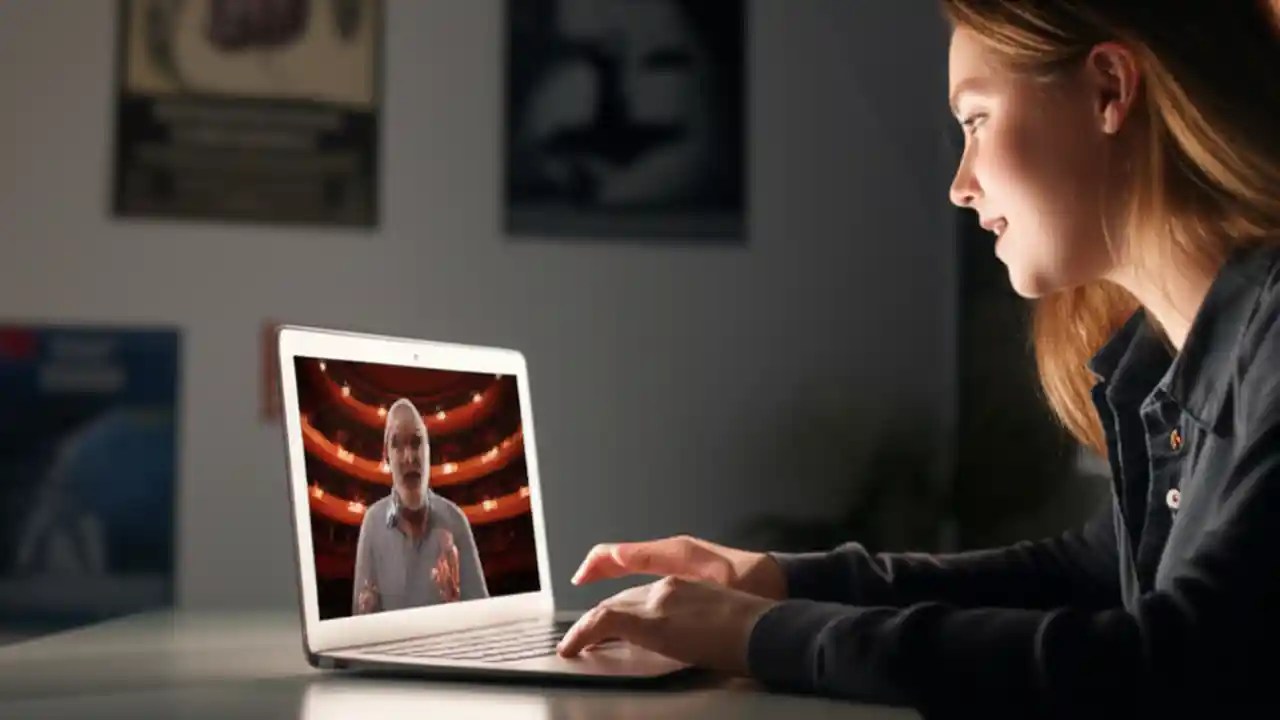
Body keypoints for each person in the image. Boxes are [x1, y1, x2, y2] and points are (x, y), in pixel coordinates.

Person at [556, 1, 1280, 715]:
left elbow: (1181, 660)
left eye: (976, 120)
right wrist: (774, 582)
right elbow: (1090, 574)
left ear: (1109, 91)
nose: (960, 185)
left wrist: (759, 633)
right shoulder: (1166, 361)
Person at [352, 398, 488, 614]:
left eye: (416, 442)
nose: (409, 457)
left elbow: (484, 619)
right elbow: (359, 624)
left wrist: (456, 606)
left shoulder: (456, 521)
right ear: (386, 456)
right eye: (397, 444)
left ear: (428, 451)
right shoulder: (372, 523)